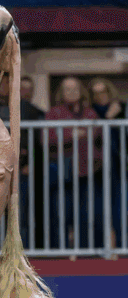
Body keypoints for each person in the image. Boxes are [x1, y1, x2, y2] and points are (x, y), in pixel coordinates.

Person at [45, 76, 103, 250]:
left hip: (88, 172)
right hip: (64, 173)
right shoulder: (53, 113)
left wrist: (76, 132)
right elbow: (47, 139)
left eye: (75, 88)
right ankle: (60, 253)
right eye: (67, 89)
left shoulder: (89, 112)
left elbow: (98, 133)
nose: (72, 92)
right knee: (61, 214)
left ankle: (86, 251)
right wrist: (73, 134)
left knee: (87, 214)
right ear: (61, 93)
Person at [89, 77, 124, 249]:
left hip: (120, 165)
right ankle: (98, 247)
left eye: (103, 92)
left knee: (121, 207)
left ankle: (124, 246)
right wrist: (108, 117)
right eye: (95, 93)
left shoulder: (122, 108)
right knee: (98, 208)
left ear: (109, 92)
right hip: (97, 166)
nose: (100, 96)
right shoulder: (91, 111)